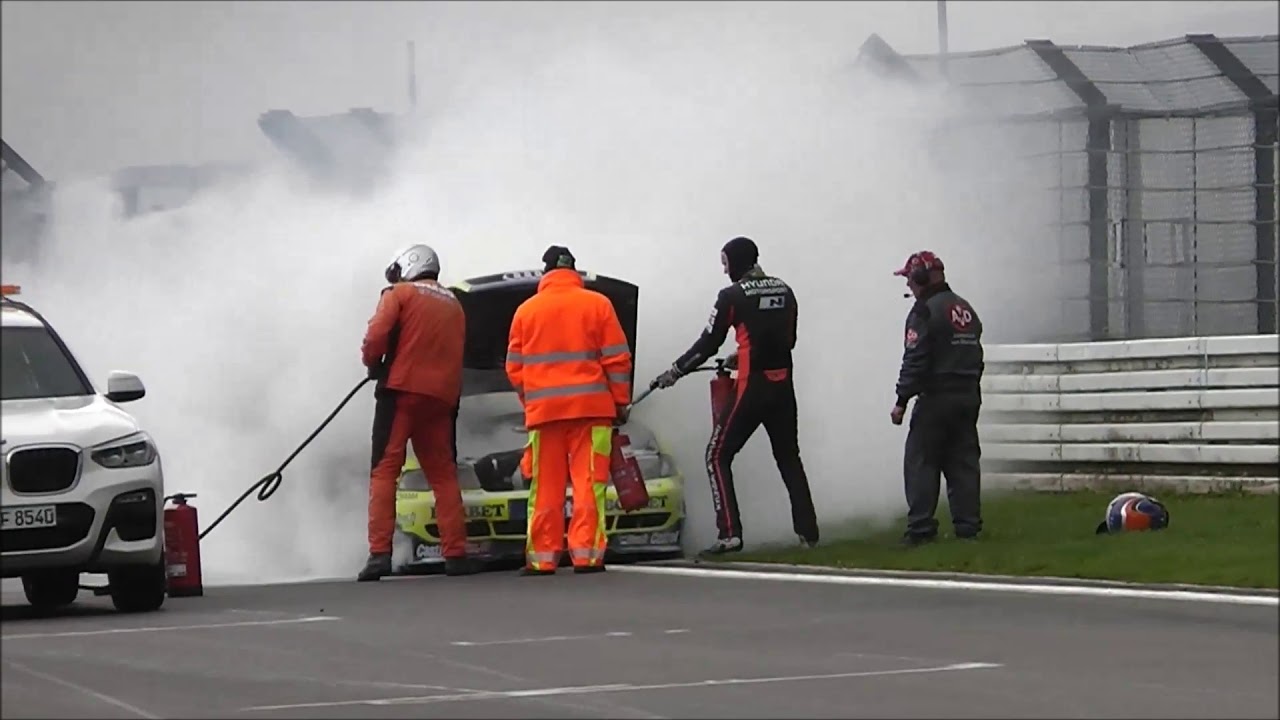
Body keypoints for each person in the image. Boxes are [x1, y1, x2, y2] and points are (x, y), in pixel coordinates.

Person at [651, 236, 818, 556]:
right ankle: (809, 534)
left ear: (736, 262)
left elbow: (708, 343)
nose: (724, 269)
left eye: (725, 263)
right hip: (783, 385)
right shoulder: (784, 289)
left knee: (717, 455)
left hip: (752, 388)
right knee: (788, 457)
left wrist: (676, 370)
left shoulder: (731, 295)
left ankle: (730, 533)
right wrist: (740, 355)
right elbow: (787, 339)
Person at [506, 245, 633, 575]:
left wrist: (532, 402)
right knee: (589, 484)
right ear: (574, 271)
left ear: (546, 272)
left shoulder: (526, 311)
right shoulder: (598, 304)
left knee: (544, 487)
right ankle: (587, 556)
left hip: (545, 416)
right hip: (592, 412)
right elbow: (618, 360)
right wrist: (619, 402)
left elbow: (514, 368)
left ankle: (542, 559)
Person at [358, 243, 475, 581]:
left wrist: (373, 364)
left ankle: (379, 554)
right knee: (443, 475)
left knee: (384, 471)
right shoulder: (455, 304)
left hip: (402, 393)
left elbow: (376, 336)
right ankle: (455, 553)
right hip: (442, 399)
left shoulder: (399, 294)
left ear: (409, 265)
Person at [890, 250, 985, 546]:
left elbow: (915, 359)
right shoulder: (965, 308)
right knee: (964, 463)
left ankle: (920, 529)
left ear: (921, 277)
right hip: (969, 396)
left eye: (909, 278)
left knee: (921, 462)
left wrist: (901, 400)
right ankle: (968, 528)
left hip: (936, 398)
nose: (908, 285)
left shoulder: (924, 311)